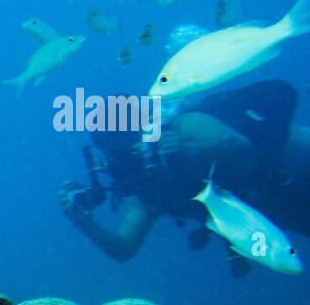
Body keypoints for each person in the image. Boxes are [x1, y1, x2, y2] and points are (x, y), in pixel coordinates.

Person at [60, 80, 308, 274]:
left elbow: (241, 146)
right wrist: (83, 221)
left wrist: (187, 151)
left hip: (297, 166)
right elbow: (124, 247)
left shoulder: (184, 125)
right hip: (282, 209)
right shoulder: (148, 192)